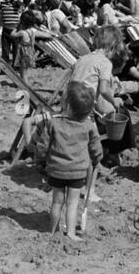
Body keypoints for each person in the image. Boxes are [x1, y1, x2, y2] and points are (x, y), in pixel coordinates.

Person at [36, 82, 101, 240]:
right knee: (72, 204)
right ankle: (71, 232)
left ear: (67, 106)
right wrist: (97, 159)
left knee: (57, 202)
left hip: (57, 170)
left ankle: (53, 231)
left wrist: (40, 161)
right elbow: (95, 146)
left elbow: (42, 146)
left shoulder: (53, 123)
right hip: (78, 172)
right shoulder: (89, 126)